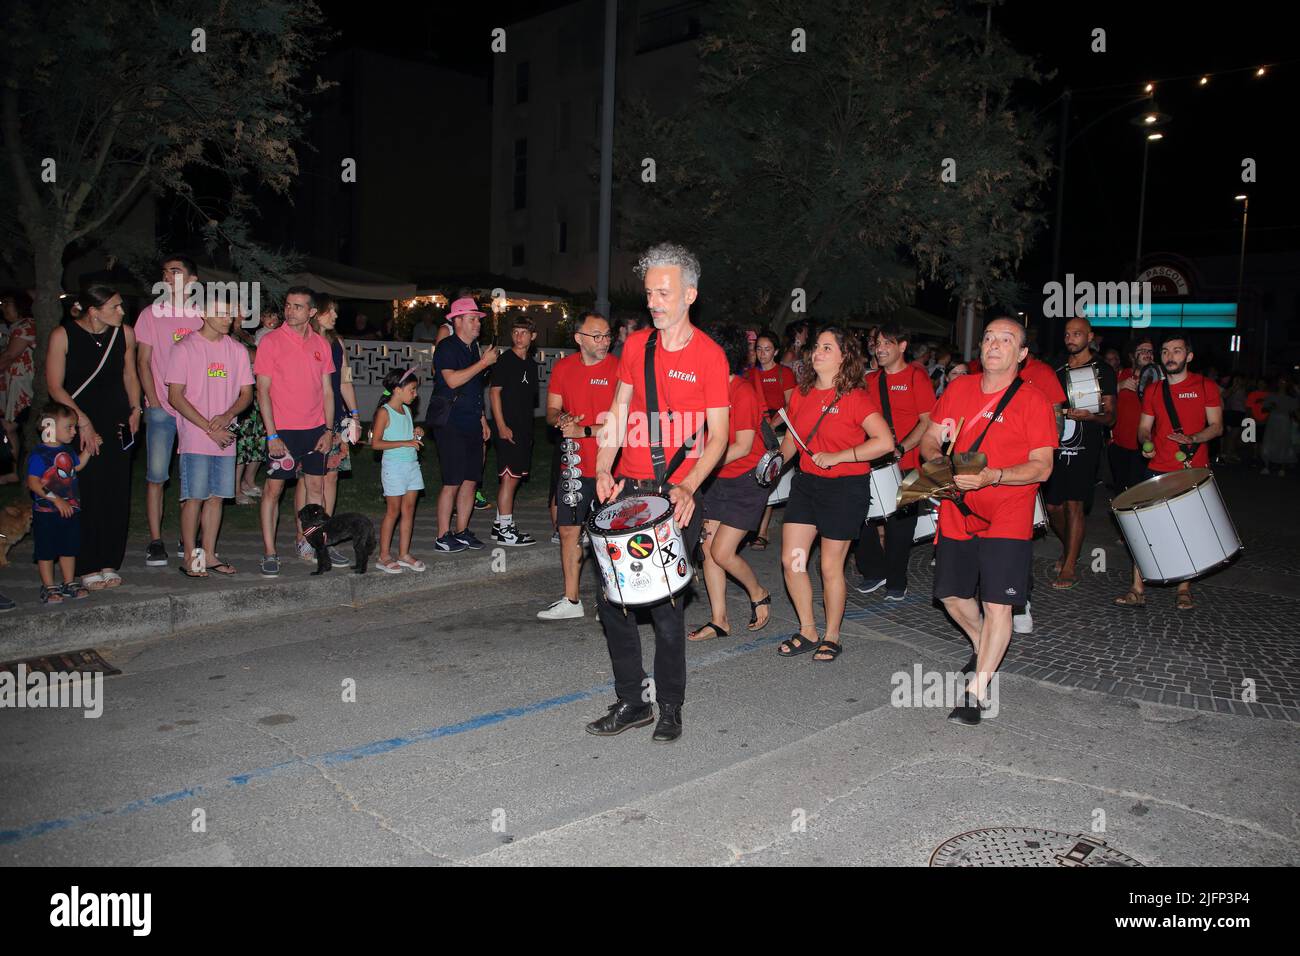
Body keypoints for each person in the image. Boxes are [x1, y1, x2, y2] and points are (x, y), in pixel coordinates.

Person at [588, 242, 730, 743]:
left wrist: (690, 484)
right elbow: (619, 411)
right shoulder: (635, 347)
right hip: (629, 491)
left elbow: (719, 436)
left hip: (676, 497)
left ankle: (669, 705)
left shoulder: (710, 357)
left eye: (664, 292)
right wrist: (603, 465)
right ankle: (632, 701)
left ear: (690, 294)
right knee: (612, 602)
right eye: (650, 292)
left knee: (666, 607)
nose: (654, 301)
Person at [919, 316, 1056, 725]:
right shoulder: (959, 389)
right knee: (950, 595)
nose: (994, 345)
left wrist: (994, 475)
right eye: (989, 339)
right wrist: (935, 461)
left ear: (1022, 354)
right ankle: (985, 646)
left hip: (1008, 509)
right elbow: (930, 435)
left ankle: (976, 692)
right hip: (958, 505)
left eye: (1006, 340)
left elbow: (1042, 467)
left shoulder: (1033, 401)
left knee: (999, 603)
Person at [774, 326, 894, 663]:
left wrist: (841, 456)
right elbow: (793, 440)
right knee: (792, 561)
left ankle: (832, 635)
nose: (818, 353)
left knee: (830, 566)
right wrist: (775, 463)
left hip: (844, 489)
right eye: (816, 347)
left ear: (845, 357)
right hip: (807, 486)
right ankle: (808, 629)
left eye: (828, 347)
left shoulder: (856, 397)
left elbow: (884, 442)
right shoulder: (800, 394)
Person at [1115, 334, 1223, 610]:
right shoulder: (1154, 390)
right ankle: (1137, 588)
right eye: (1165, 351)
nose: (1170, 356)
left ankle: (1183, 589)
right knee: (1146, 529)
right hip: (1157, 468)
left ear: (1189, 356)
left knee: (1188, 531)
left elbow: (1216, 426)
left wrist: (1194, 439)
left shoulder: (1205, 385)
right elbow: (1143, 427)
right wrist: (1144, 443)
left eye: (1177, 351)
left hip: (1193, 469)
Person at [45, 286, 141, 590]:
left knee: (115, 490)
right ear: (93, 311)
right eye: (115, 307)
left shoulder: (124, 334)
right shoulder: (63, 335)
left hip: (116, 419)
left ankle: (110, 560)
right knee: (85, 490)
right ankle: (86, 563)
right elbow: (55, 386)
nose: (122, 312)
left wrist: (136, 409)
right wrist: (82, 421)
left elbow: (130, 375)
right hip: (78, 421)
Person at [687, 323, 773, 641]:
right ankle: (719, 619)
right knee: (708, 549)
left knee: (723, 552)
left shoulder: (742, 391)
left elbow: (743, 446)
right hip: (718, 481)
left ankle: (758, 591)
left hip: (746, 481)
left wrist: (702, 466)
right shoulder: (704, 391)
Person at [166, 300, 255, 577]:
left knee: (217, 497)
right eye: (221, 313)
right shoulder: (184, 348)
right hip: (196, 436)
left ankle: (209, 553)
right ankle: (190, 556)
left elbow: (246, 394)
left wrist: (227, 416)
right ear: (204, 315)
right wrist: (208, 426)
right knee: (195, 496)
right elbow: (175, 396)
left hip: (225, 436)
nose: (228, 318)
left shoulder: (237, 350)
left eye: (230, 313)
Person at [538, 312, 618, 619]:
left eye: (607, 335)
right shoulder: (563, 368)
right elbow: (552, 410)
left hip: (609, 466)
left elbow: (623, 421)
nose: (603, 341)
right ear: (578, 339)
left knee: (608, 533)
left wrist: (586, 430)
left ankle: (611, 600)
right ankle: (571, 600)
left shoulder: (619, 370)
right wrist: (562, 419)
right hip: (574, 466)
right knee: (569, 530)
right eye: (596, 335)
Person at [253, 286, 336, 576]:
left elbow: (327, 392)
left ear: (312, 312)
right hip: (283, 431)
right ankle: (270, 551)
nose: (290, 311)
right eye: (288, 305)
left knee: (316, 488)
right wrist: (271, 434)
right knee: (273, 490)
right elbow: (262, 391)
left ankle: (311, 542)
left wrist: (329, 429)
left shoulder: (321, 345)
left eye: (298, 306)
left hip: (315, 429)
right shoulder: (271, 342)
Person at [855, 321, 936, 599]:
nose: (879, 349)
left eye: (886, 343)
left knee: (899, 528)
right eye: (876, 344)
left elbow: (927, 422)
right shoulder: (869, 381)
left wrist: (901, 447)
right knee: (859, 517)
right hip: (875, 462)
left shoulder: (917, 378)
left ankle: (896, 580)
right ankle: (875, 571)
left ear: (902, 346)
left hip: (909, 461)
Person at [135, 256, 204, 567]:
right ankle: (155, 540)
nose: (167, 275)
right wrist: (152, 399)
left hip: (194, 411)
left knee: (193, 476)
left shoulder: (202, 316)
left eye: (176, 271)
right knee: (157, 476)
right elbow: (142, 361)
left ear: (192, 280)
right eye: (165, 271)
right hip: (162, 407)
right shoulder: (151, 314)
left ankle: (187, 538)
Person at [1044, 316, 1116, 589]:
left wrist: (1090, 416)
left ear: (1090, 336)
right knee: (1052, 507)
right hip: (1055, 447)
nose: (1070, 338)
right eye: (1067, 334)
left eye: (1077, 333)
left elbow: (1110, 417)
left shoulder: (1103, 371)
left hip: (1085, 448)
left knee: (1075, 505)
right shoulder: (1056, 368)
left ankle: (1070, 566)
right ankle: (1070, 546)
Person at [429, 297, 496, 553]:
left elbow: (475, 388)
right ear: (456, 321)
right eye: (472, 318)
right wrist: (483, 363)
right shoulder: (447, 347)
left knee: (470, 480)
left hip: (471, 420)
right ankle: (442, 534)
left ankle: (461, 530)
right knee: (452, 480)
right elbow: (453, 381)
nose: (477, 323)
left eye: (478, 319)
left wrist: (482, 419)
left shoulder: (474, 348)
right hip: (450, 423)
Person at [303, 294, 359, 566]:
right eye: (330, 311)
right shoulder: (304, 341)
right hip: (310, 419)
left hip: (336, 418)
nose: (335, 316)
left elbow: (345, 380)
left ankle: (325, 537)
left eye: (336, 312)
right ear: (315, 313)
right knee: (310, 481)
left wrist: (355, 415)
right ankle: (305, 539)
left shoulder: (337, 343)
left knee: (331, 478)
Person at [26, 403, 91, 603]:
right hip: (46, 512)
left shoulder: (67, 450)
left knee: (68, 547)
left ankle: (68, 582)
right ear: (49, 427)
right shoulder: (40, 454)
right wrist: (57, 500)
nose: (73, 432)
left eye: (74, 427)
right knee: (46, 550)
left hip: (69, 510)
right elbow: (34, 483)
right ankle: (48, 585)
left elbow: (77, 466)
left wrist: (88, 450)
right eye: (69, 427)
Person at [490, 315, 540, 546]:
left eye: (524, 332)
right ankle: (506, 530)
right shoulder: (505, 360)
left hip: (523, 429)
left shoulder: (530, 363)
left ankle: (499, 524)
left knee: (515, 478)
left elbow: (528, 402)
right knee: (509, 478)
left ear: (533, 336)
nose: (519, 336)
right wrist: (501, 425)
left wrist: (528, 434)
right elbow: (494, 392)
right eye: (515, 332)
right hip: (507, 428)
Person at [370, 367, 426, 573]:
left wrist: (416, 433)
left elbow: (406, 435)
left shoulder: (407, 411)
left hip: (412, 465)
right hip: (393, 467)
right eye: (412, 389)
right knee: (393, 511)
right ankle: (383, 556)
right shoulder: (384, 412)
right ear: (397, 389)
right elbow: (376, 443)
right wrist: (406, 441)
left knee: (409, 510)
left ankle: (403, 554)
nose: (415, 394)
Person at [746, 329, 796, 551]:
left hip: (777, 429)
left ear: (775, 351)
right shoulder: (750, 374)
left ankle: (763, 530)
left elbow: (791, 404)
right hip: (756, 430)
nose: (762, 353)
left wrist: (772, 425)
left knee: (768, 478)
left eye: (767, 349)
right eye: (759, 349)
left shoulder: (784, 373)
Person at [1110, 337, 1156, 492]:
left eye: (1150, 351)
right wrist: (1119, 386)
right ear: (1131, 356)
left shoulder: (1158, 378)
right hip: (1119, 443)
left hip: (1144, 444)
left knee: (1140, 491)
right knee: (1120, 490)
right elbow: (1100, 400)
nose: (1147, 354)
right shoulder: (1121, 374)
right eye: (1142, 350)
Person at [0, 290, 36, 485]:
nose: (4, 307)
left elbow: (9, 356)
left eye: (8, 303)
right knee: (9, 426)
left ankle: (15, 472)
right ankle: (14, 471)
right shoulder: (16, 327)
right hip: (16, 384)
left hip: (24, 385)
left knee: (10, 425)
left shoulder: (26, 326)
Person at [1260, 375, 1298, 477]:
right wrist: (1270, 407)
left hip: (1285, 421)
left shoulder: (1291, 398)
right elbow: (1263, 409)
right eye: (1280, 381)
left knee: (1284, 442)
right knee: (1269, 441)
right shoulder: (1271, 395)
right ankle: (1266, 466)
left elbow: (1294, 412)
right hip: (1273, 420)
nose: (1282, 383)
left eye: (1284, 381)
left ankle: (1282, 467)